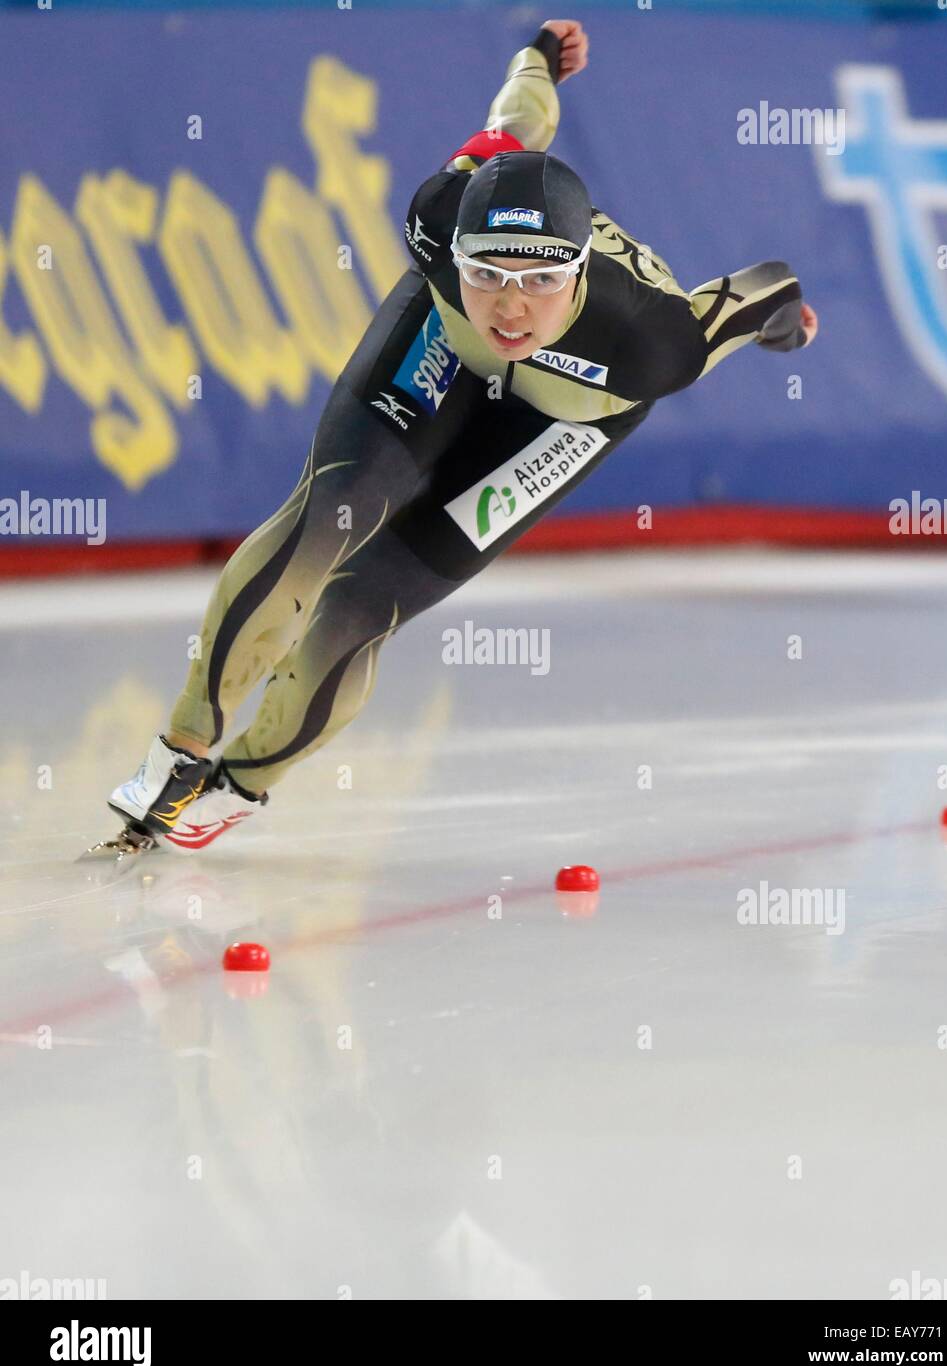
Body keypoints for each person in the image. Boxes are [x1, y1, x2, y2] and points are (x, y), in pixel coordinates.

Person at [96, 18, 818, 855]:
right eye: (487, 273)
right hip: (444, 342)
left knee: (360, 606)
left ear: (578, 272)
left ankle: (243, 783)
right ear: (454, 251)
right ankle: (182, 750)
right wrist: (538, 55)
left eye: (540, 280)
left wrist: (787, 325)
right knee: (326, 516)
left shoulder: (652, 342)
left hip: (568, 413)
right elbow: (516, 120)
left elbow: (759, 292)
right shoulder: (439, 211)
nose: (510, 306)